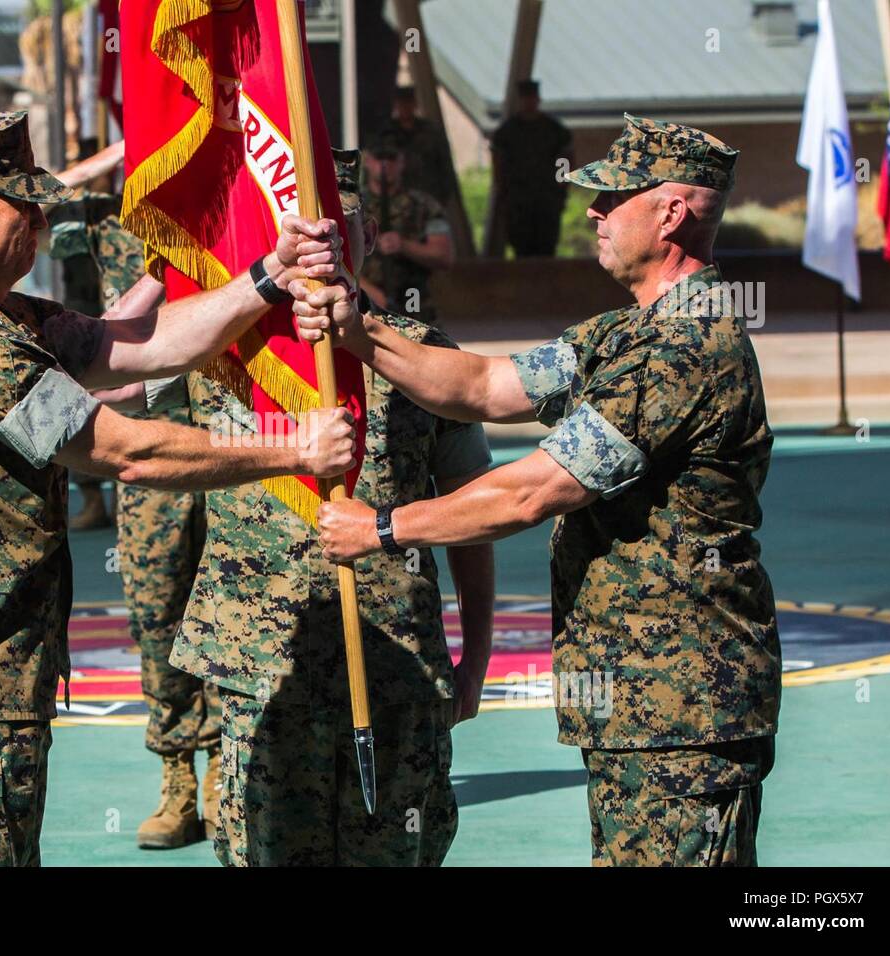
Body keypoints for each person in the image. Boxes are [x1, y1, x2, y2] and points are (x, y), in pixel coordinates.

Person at [0, 111, 354, 866]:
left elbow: (139, 344)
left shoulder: (0, 319)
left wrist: (267, 277)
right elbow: (128, 452)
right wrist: (293, 447)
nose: (42, 219)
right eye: (23, 203)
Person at [300, 115, 781, 867]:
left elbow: (535, 491)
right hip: (641, 698)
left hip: (684, 705)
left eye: (613, 196)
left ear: (671, 212)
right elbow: (485, 385)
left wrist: (382, 529)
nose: (592, 211)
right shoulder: (629, 333)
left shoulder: (686, 348)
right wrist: (359, 329)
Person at [122, 148, 495, 866]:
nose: (322, 242)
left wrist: (473, 656)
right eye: (303, 226)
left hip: (395, 667)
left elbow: (470, 510)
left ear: (368, 229)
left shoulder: (417, 354)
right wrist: (177, 275)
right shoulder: (223, 351)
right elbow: (106, 393)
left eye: (339, 222)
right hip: (263, 665)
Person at [46, 157, 222, 849]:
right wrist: (114, 155)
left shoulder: (242, 214)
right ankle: (179, 776)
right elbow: (34, 202)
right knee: (159, 618)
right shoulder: (109, 218)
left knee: (245, 612)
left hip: (241, 439)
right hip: (150, 446)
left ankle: (231, 770)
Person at [360, 135, 455, 325]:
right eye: (379, 158)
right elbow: (336, 257)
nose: (385, 165)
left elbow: (444, 256)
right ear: (368, 161)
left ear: (401, 162)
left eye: (391, 158)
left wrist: (403, 245)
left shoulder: (424, 205)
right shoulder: (351, 205)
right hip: (362, 301)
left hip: (413, 299)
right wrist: (368, 292)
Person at [490, 80, 573, 257]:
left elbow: (564, 160)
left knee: (547, 247)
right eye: (525, 98)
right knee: (521, 248)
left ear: (537, 99)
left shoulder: (554, 130)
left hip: (547, 199)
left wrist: (561, 188)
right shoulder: (508, 132)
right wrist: (503, 192)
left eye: (532, 98)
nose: (529, 102)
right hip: (518, 201)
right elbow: (499, 164)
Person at [376, 84, 457, 205]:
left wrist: (442, 198)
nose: (405, 107)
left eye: (409, 103)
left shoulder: (431, 132)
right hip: (396, 200)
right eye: (401, 103)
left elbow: (446, 167)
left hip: (428, 197)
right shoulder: (386, 134)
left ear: (415, 104)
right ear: (396, 105)